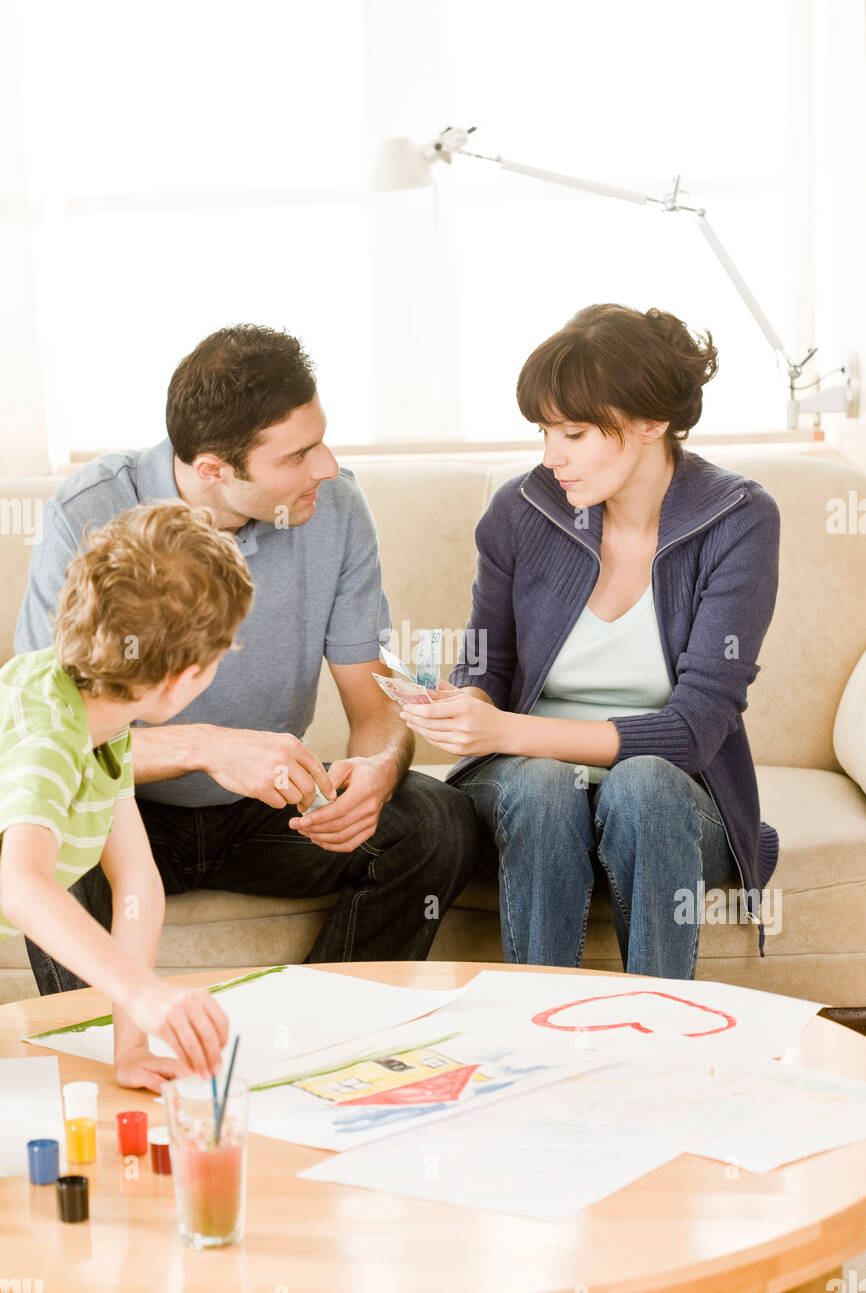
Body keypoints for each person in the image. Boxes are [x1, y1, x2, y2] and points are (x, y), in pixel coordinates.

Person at [15, 324, 480, 993]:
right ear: (213, 470)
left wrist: (374, 774)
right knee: (55, 841)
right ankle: (107, 1048)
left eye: (321, 439)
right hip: (127, 802)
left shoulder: (336, 508)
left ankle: (325, 1029)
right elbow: (51, 740)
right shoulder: (86, 516)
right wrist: (207, 746)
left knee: (437, 823)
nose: (326, 466)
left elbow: (378, 707)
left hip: (266, 811)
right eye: (297, 456)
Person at [399, 303, 781, 979]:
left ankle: (656, 1030)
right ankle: (534, 1031)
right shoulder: (522, 510)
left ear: (651, 422)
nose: (551, 456)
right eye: (545, 431)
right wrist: (461, 703)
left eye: (573, 432)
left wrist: (503, 730)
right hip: (524, 794)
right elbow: (489, 662)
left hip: (670, 803)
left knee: (645, 787)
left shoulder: (738, 520)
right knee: (545, 788)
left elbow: (694, 732)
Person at [0, 501, 254, 1088]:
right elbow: (21, 886)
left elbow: (137, 882)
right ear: (182, 679)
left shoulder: (101, 719)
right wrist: (147, 993)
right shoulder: (49, 736)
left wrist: (133, 1043)